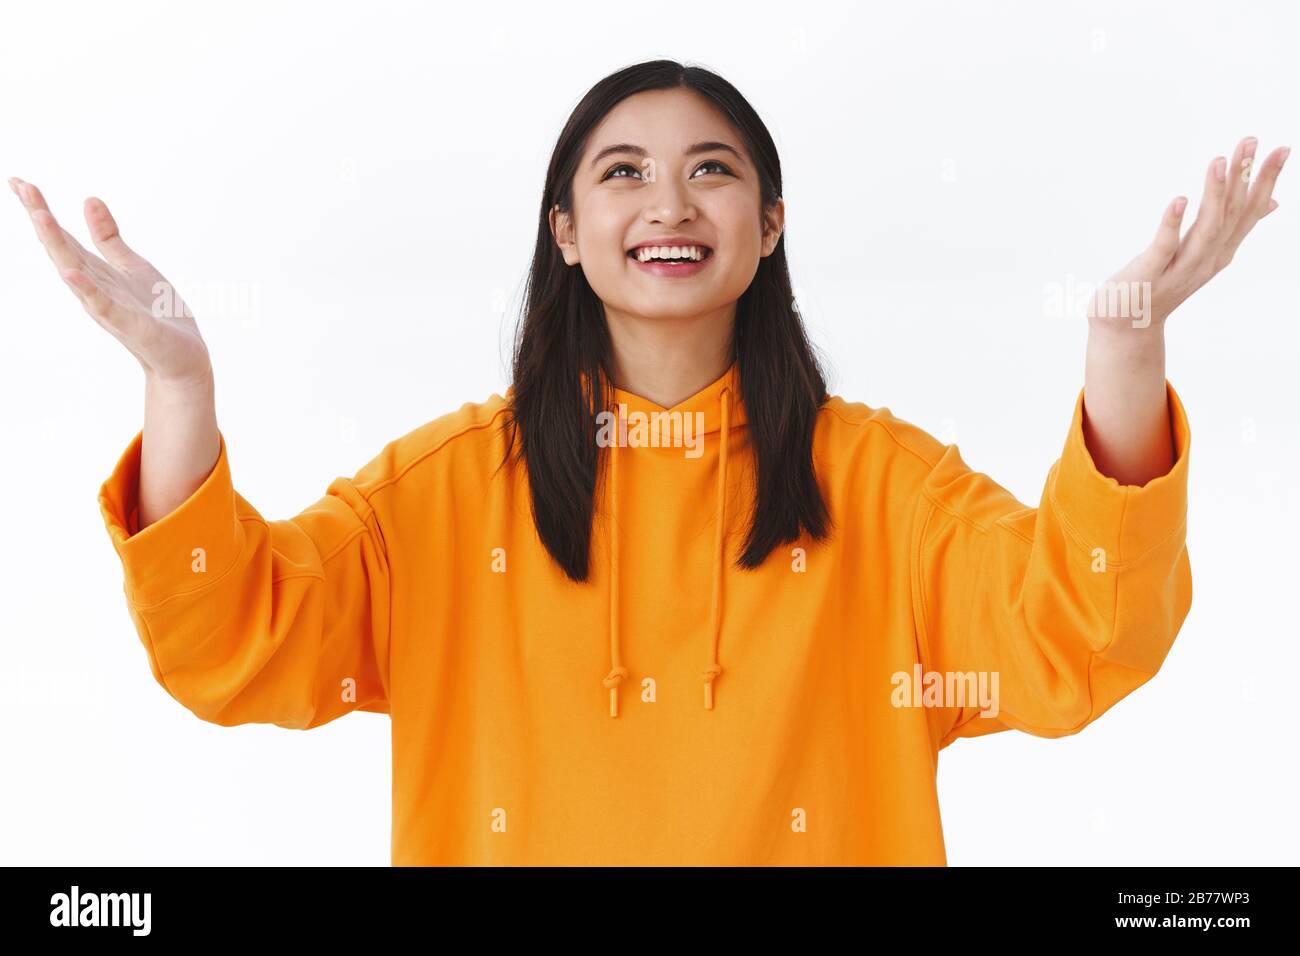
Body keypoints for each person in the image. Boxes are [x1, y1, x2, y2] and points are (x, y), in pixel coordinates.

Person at [11, 59, 1287, 865]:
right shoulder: (448, 491)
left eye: (712, 174)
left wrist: (1124, 357)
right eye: (622, 175)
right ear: (566, 231)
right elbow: (237, 638)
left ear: (769, 225)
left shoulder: (886, 488)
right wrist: (179, 385)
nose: (668, 205)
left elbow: (1081, 632)